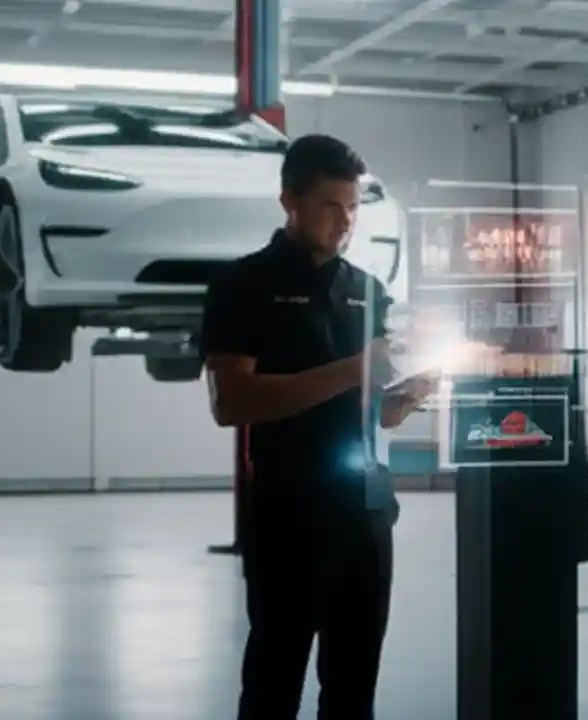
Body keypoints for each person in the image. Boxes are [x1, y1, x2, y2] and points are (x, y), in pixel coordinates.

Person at [201, 134, 435, 720]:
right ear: (290, 201)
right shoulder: (241, 287)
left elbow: (369, 407)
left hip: (365, 515)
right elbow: (232, 401)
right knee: (273, 686)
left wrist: (403, 398)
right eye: (331, 205)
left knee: (353, 690)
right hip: (288, 519)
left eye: (353, 206)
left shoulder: (366, 292)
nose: (346, 220)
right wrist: (352, 371)